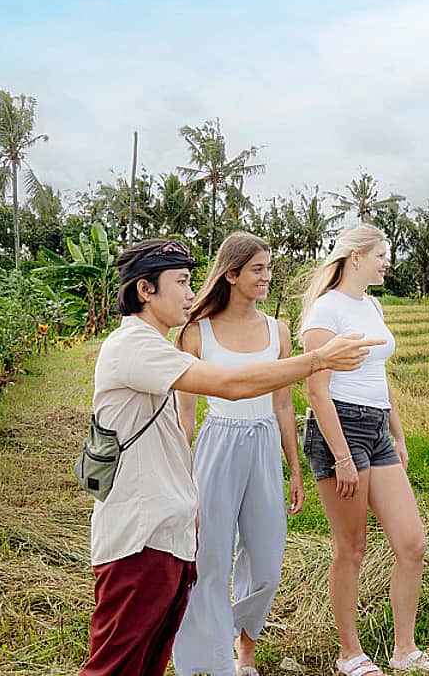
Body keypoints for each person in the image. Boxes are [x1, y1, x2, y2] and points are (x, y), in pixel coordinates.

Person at [81, 238, 382, 676]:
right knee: (116, 665)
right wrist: (317, 359)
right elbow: (231, 385)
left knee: (146, 662)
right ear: (146, 290)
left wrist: (189, 503)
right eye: (181, 283)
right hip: (139, 539)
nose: (190, 294)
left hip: (163, 530)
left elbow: (175, 439)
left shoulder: (157, 347)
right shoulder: (134, 347)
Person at [299, 224, 429, 676]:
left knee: (412, 543)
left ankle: (404, 651)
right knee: (351, 548)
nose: (386, 262)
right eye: (380, 254)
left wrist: (397, 431)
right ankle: (349, 654)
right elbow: (316, 392)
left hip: (376, 429)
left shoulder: (372, 306)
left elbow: (378, 375)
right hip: (339, 428)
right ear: (355, 257)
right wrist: (341, 457)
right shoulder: (325, 310)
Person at [171, 233, 303, 676]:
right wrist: (181, 476)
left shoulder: (277, 331)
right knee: (209, 558)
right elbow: (185, 417)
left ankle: (244, 645)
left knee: (266, 562)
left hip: (265, 444)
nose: (268, 276)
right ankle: (207, 661)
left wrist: (294, 470)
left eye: (268, 268)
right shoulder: (196, 333)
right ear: (231, 274)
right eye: (258, 269)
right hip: (217, 445)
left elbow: (284, 404)